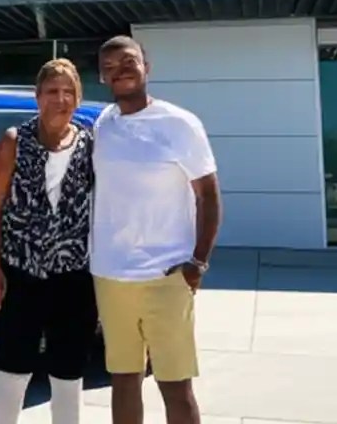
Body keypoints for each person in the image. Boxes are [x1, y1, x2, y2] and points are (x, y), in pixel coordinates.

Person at [90, 35, 222, 424]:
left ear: (147, 65)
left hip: (166, 275)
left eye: (128, 61)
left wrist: (198, 261)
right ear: (102, 77)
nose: (120, 70)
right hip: (111, 276)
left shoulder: (180, 123)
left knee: (176, 386)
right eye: (110, 66)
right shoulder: (103, 124)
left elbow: (209, 197)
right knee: (123, 380)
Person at [0, 58, 98, 424]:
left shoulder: (89, 144)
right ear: (37, 97)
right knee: (12, 373)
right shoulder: (14, 143)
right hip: (21, 273)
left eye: (68, 93)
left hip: (74, 277)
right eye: (52, 91)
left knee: (68, 376)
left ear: (77, 100)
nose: (59, 100)